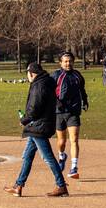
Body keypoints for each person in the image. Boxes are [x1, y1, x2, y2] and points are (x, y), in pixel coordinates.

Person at [5, 62, 68, 197]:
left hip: (39, 126)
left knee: (48, 157)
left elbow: (34, 109)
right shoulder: (45, 82)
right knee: (28, 156)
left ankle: (61, 185)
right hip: (39, 126)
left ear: (31, 74)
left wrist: (24, 120)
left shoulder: (39, 85)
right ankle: (19, 185)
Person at [54, 51, 89, 181]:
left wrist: (85, 101)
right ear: (61, 63)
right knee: (61, 142)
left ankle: (74, 168)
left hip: (73, 112)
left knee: (74, 140)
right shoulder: (56, 75)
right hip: (59, 112)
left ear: (73, 62)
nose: (68, 63)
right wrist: (56, 103)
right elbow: (50, 91)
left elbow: (82, 90)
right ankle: (62, 156)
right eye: (65, 61)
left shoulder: (77, 76)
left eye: (70, 61)